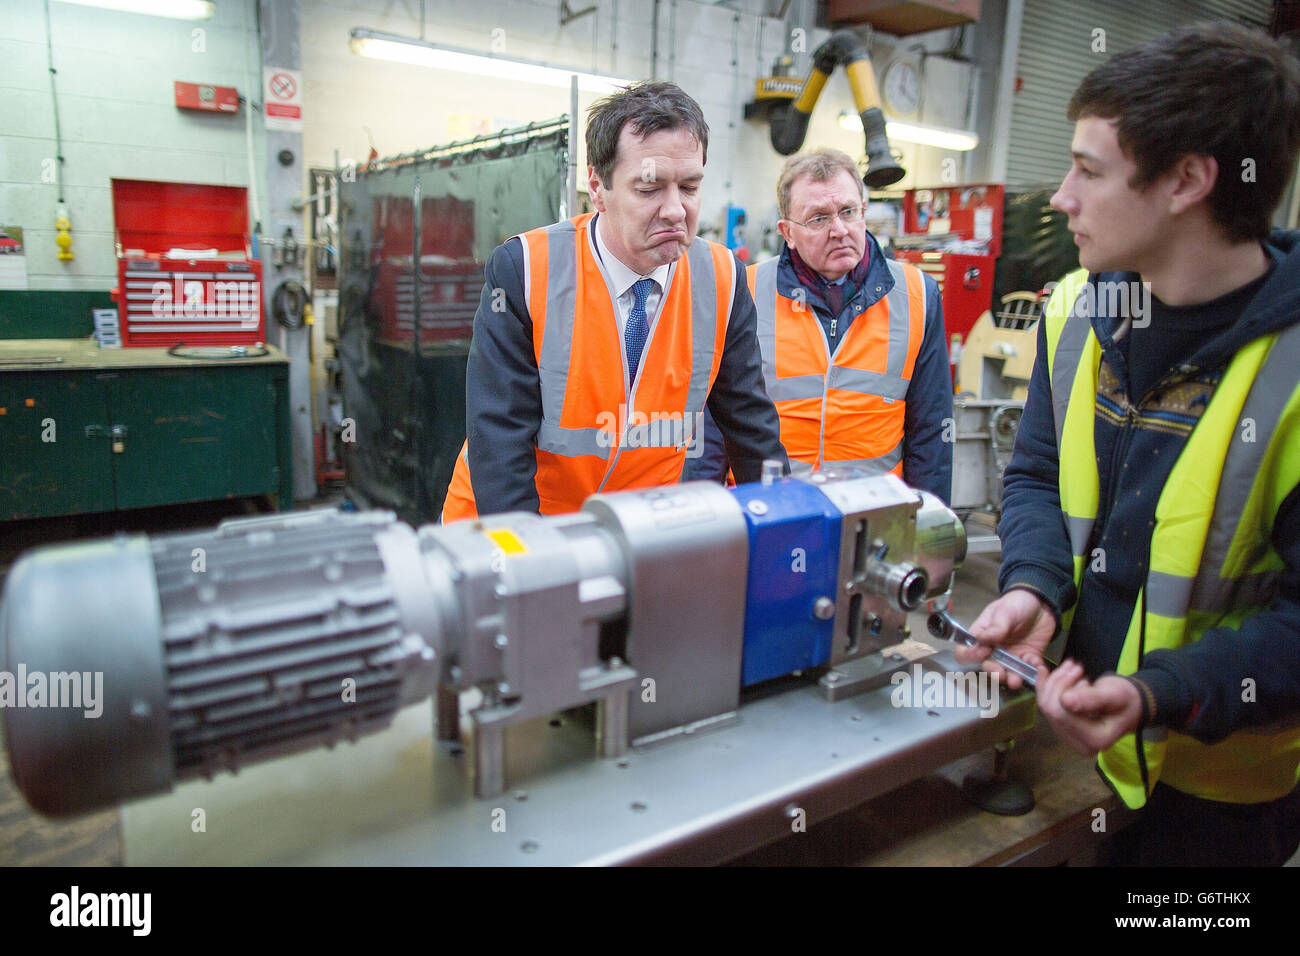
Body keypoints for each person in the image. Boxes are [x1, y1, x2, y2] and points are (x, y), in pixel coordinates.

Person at [958, 22, 1300, 865]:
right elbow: (1036, 474)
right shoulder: (1076, 311)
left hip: (1219, 791)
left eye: (1089, 169)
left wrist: (1158, 694)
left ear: (1188, 180)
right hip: (1071, 738)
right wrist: (1036, 588)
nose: (1060, 197)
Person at [441, 81, 786, 520]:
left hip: (630, 531)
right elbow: (499, 440)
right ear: (597, 187)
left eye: (690, 187)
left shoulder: (721, 279)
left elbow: (752, 429)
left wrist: (784, 533)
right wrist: (531, 563)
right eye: (650, 188)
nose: (676, 210)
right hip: (513, 525)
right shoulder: (526, 270)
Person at [688, 148, 953, 503]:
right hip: (769, 516)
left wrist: (927, 537)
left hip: (873, 521)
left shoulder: (918, 295)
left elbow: (931, 435)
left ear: (863, 209)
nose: (839, 230)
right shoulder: (744, 291)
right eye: (818, 218)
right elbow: (710, 428)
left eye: (848, 211)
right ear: (788, 233)